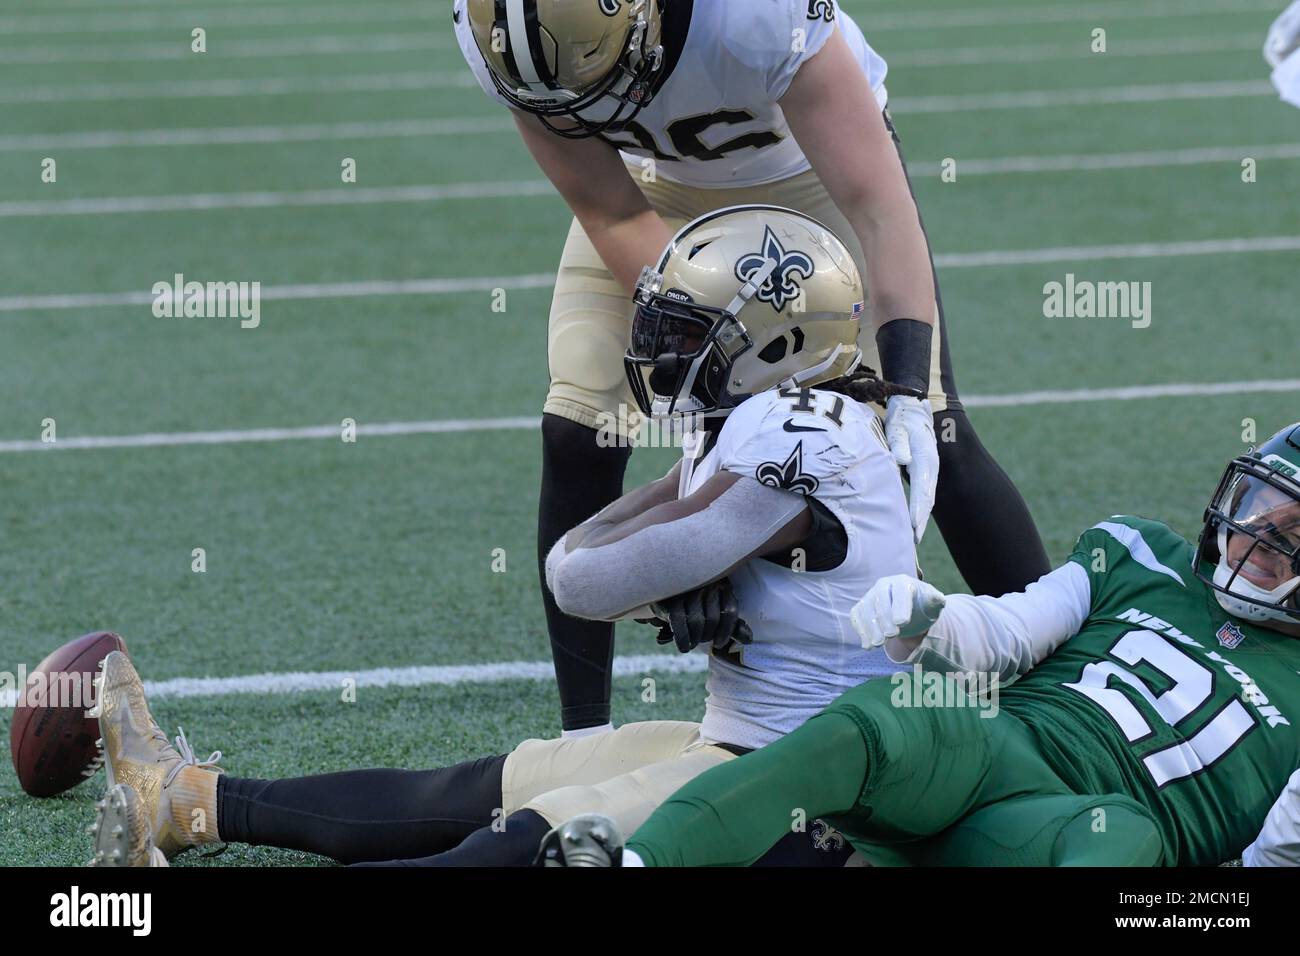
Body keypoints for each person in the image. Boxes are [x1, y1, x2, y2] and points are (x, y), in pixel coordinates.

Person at [88, 208, 920, 868]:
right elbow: (614, 552)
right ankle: (184, 801)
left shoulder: (809, 433)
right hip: (741, 745)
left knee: (517, 842)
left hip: (812, 796)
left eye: (696, 331)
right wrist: (659, 577)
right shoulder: (754, 418)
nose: (665, 347)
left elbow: (585, 579)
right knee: (467, 792)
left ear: (778, 344)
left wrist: (648, 578)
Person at [450, 0, 1050, 736]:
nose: (593, 109)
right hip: (654, 203)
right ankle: (584, 737)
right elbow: (610, 214)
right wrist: (709, 470)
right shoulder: (503, 39)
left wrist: (903, 393)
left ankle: (1079, 686)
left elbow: (879, 208)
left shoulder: (755, 14)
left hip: (809, 185)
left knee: (934, 434)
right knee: (578, 427)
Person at [542, 424, 1300, 867]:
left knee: (1120, 849)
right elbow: (1011, 631)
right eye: (1262, 505)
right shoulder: (1143, 554)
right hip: (998, 740)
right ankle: (640, 863)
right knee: (885, 711)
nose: (1259, 534)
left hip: (1095, 820)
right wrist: (931, 619)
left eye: (1293, 529)